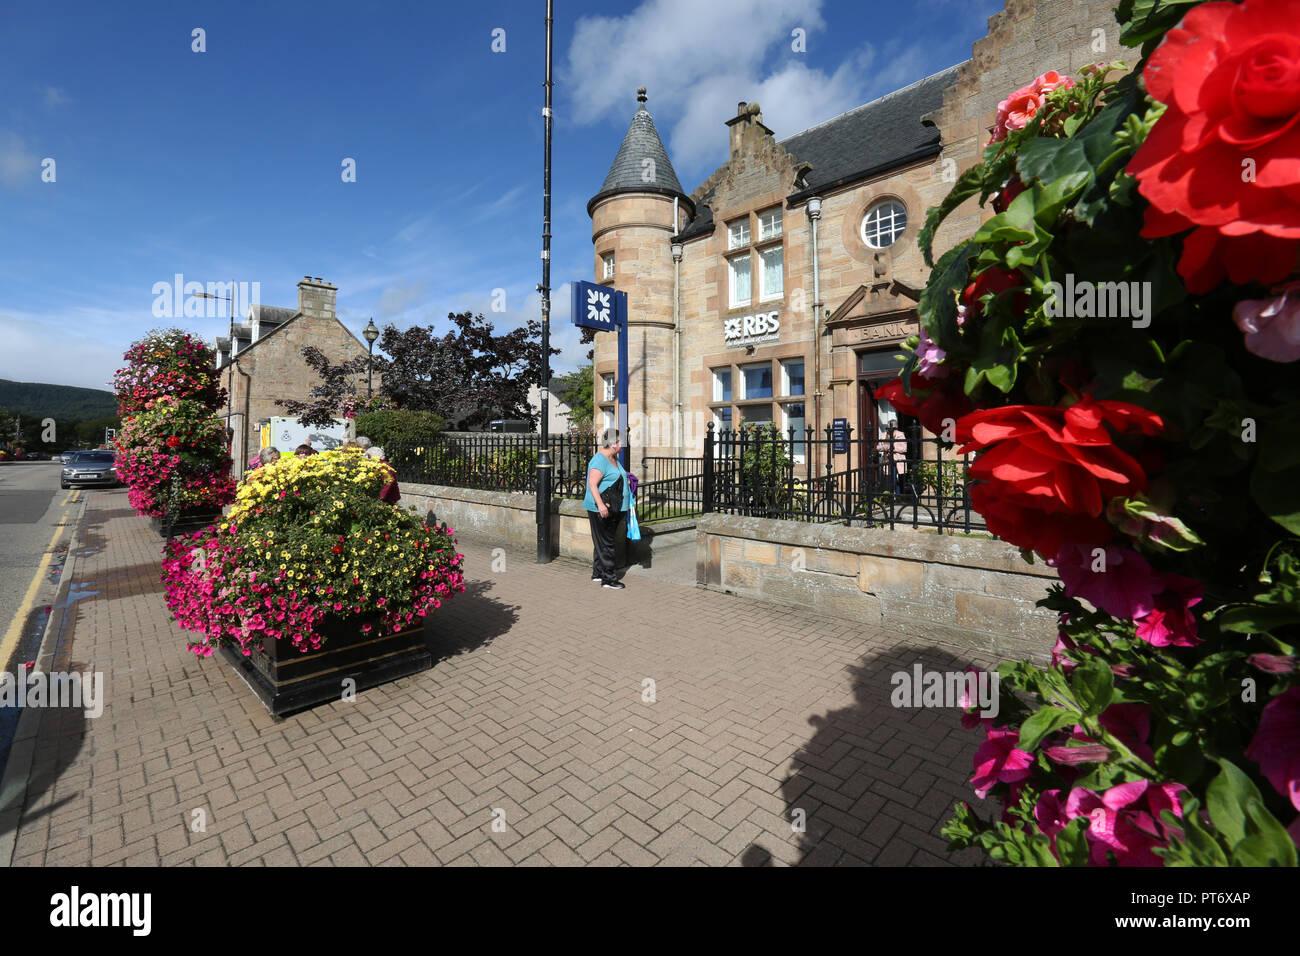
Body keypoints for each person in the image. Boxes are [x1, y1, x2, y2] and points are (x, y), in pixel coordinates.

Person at [584, 427, 631, 590]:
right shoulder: (600, 460)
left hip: (615, 507)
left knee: (602, 541)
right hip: (601, 508)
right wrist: (601, 505)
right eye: (620, 441)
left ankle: (598, 573)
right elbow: (592, 484)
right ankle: (609, 579)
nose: (623, 444)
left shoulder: (614, 458)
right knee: (606, 543)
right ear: (613, 443)